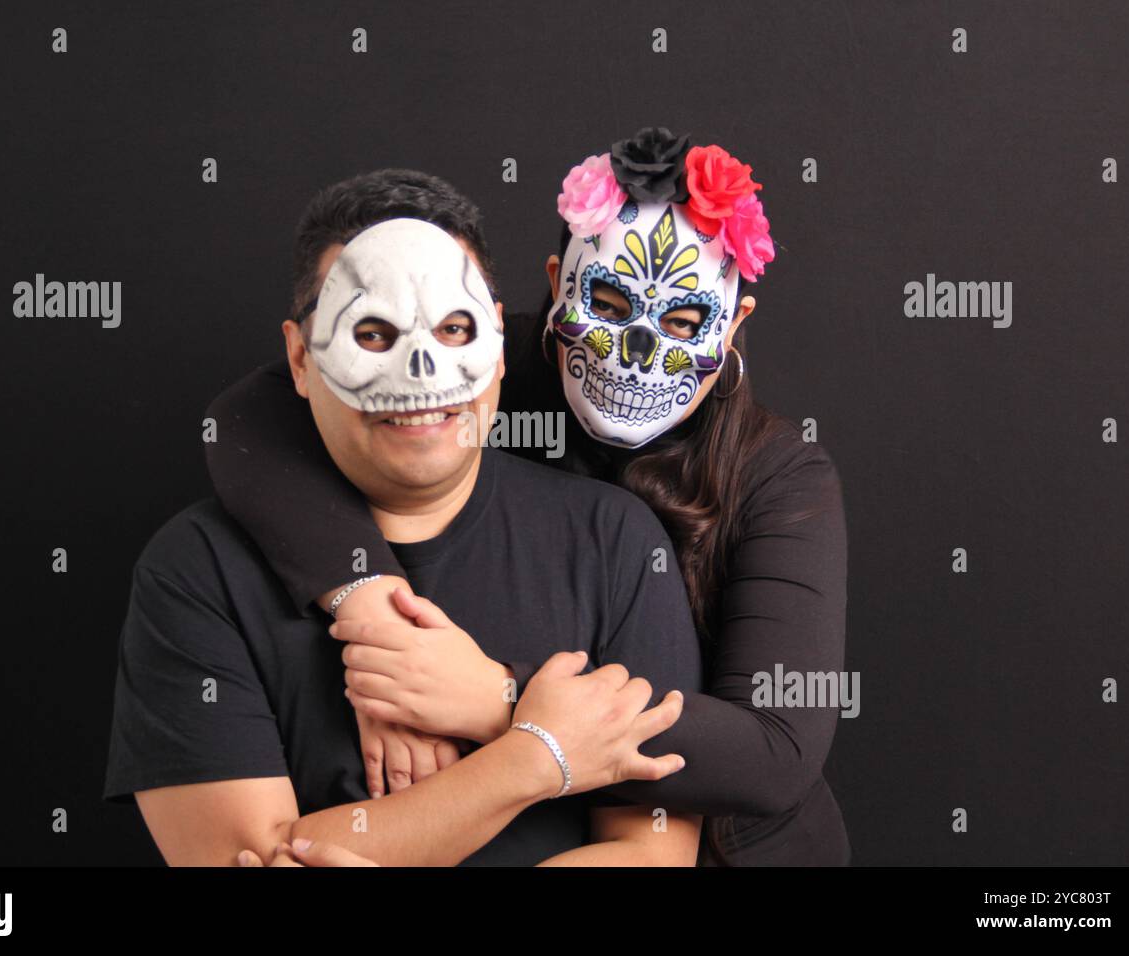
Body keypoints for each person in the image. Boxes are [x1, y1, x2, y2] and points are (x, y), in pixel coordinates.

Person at [206, 128, 853, 866]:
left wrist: (495, 701)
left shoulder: (778, 475)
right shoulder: (480, 372)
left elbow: (776, 749)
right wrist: (375, 614)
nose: (635, 352)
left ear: (733, 327)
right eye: (606, 302)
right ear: (557, 285)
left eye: (680, 324)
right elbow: (247, 416)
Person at [102, 196, 705, 866]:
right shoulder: (197, 572)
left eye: (453, 328)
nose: (421, 373)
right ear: (301, 360)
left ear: (499, 341)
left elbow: (651, 856)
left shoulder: (614, 540)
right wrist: (537, 757)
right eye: (373, 335)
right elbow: (242, 859)